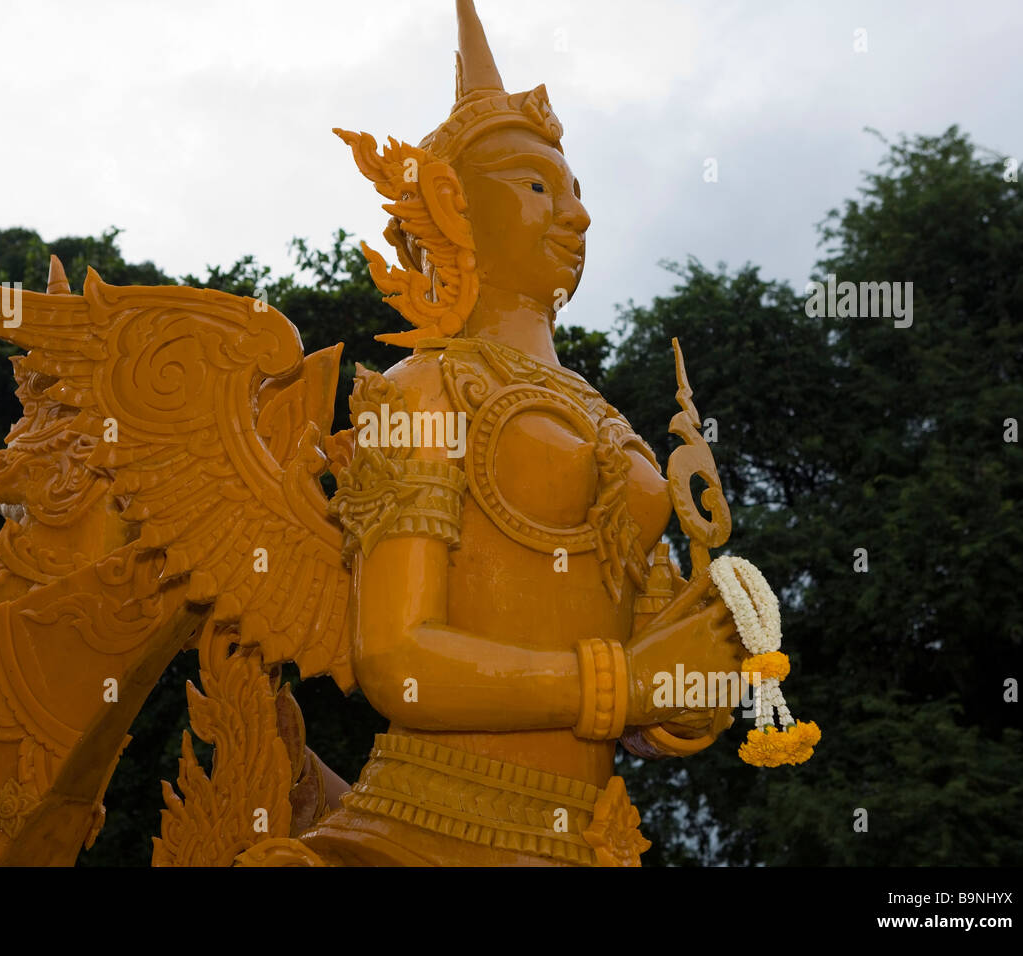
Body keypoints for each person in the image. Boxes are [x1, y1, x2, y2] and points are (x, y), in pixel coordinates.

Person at [302, 0, 744, 866]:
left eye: (577, 192)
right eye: (539, 186)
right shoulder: (424, 390)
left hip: (593, 840)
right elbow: (398, 658)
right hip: (422, 833)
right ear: (450, 207)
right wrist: (620, 686)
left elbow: (649, 688)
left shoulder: (612, 422)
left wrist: (694, 686)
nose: (574, 215)